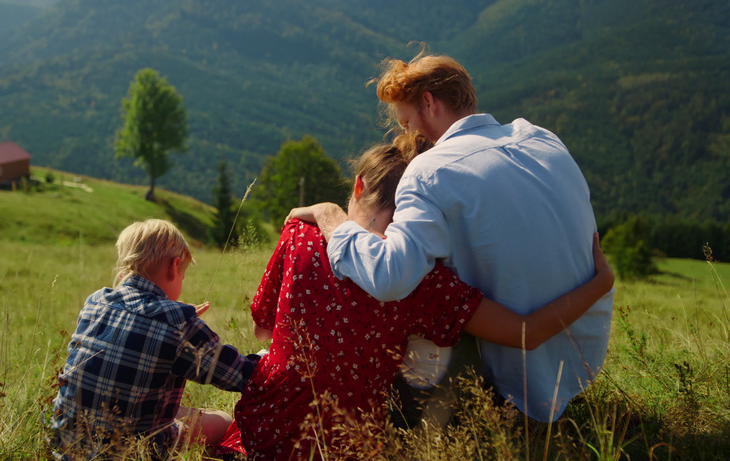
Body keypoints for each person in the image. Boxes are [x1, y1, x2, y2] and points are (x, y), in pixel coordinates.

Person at [219, 134, 613, 460]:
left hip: (263, 428)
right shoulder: (423, 285)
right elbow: (527, 332)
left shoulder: (299, 235)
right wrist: (600, 283)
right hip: (349, 446)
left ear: (358, 185)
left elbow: (263, 330)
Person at [291, 50, 615, 423]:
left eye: (407, 122)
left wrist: (331, 216)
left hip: (517, 377)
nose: (407, 136)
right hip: (583, 358)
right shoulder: (541, 137)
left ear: (430, 103)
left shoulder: (430, 170)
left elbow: (390, 277)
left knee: (417, 297)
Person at [50, 219, 260, 459]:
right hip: (130, 453)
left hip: (65, 447)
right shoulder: (177, 322)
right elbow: (239, 375)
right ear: (174, 266)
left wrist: (172, 313)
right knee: (221, 420)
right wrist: (262, 358)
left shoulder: (95, 301)